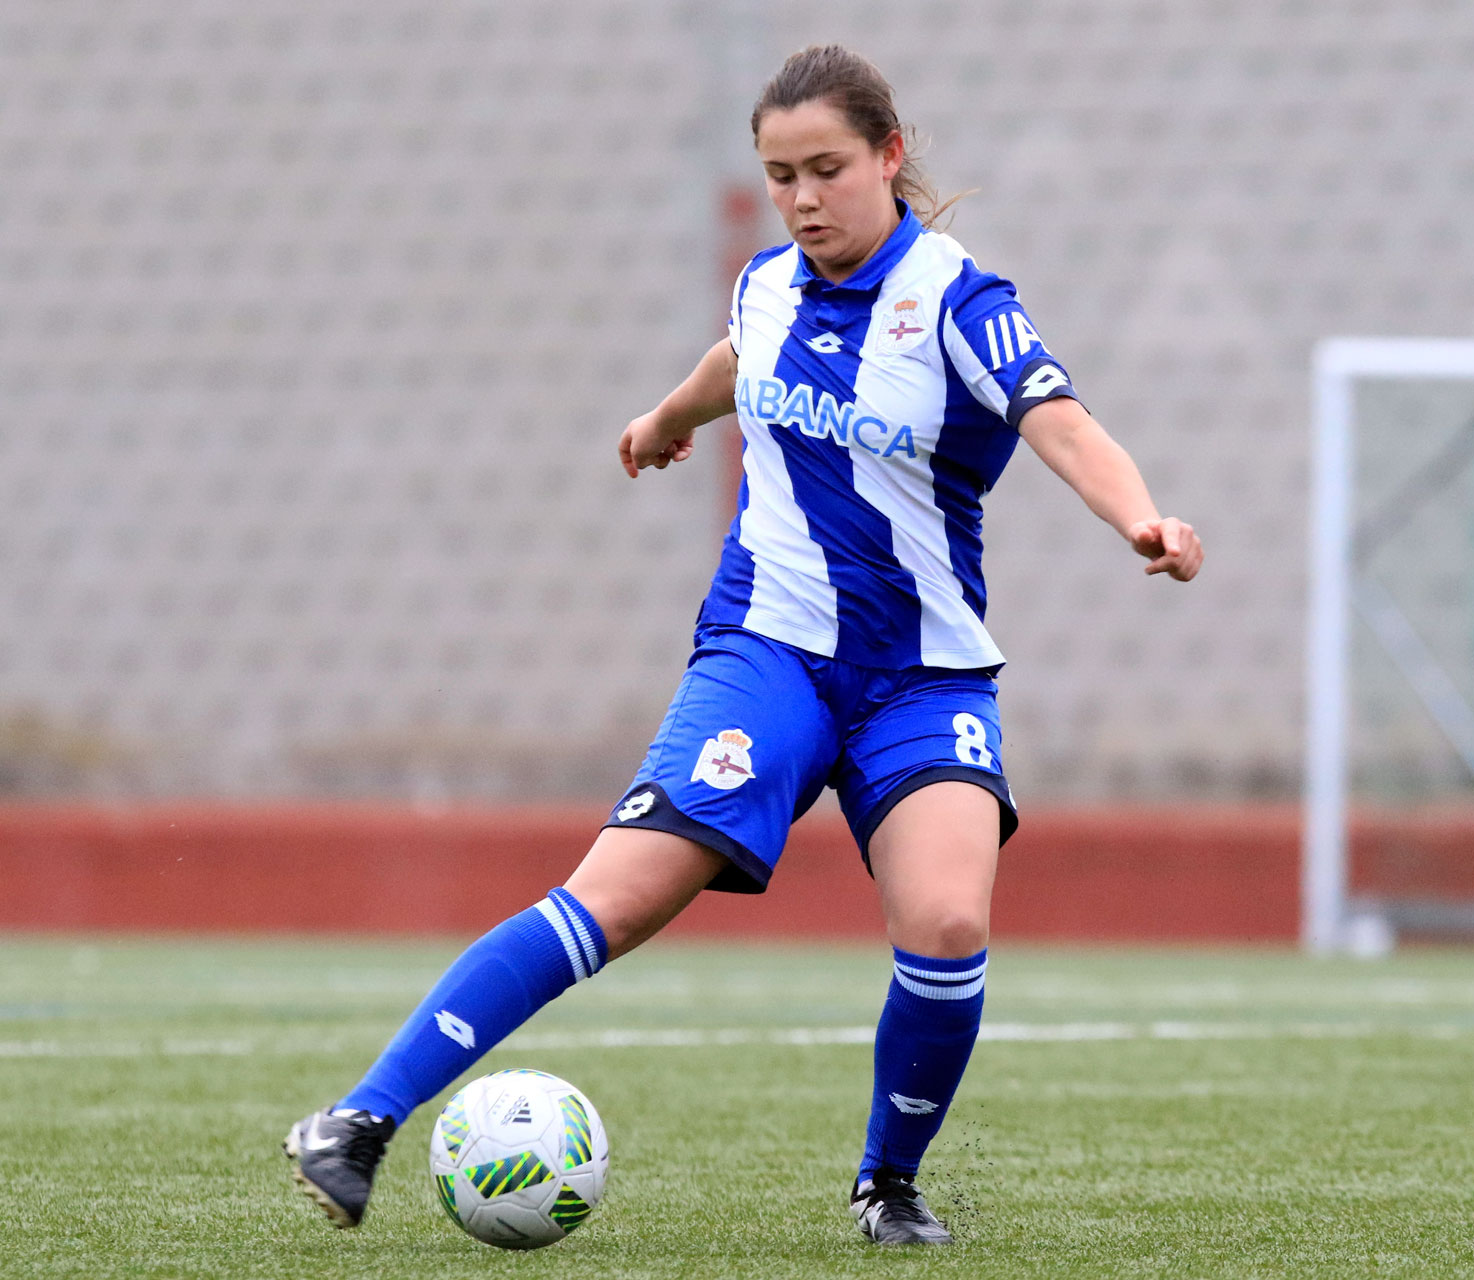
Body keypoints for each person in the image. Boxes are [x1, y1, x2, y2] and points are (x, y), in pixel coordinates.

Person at [283, 43, 1202, 1245]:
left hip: (922, 673)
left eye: (826, 168)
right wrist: (667, 418)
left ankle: (888, 1182)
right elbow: (740, 360)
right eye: (781, 176)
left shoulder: (962, 301)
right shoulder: (767, 286)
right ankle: (356, 1122)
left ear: (891, 155)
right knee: (612, 896)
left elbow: (1060, 420)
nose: (805, 197)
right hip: (766, 652)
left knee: (947, 923)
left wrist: (1140, 513)